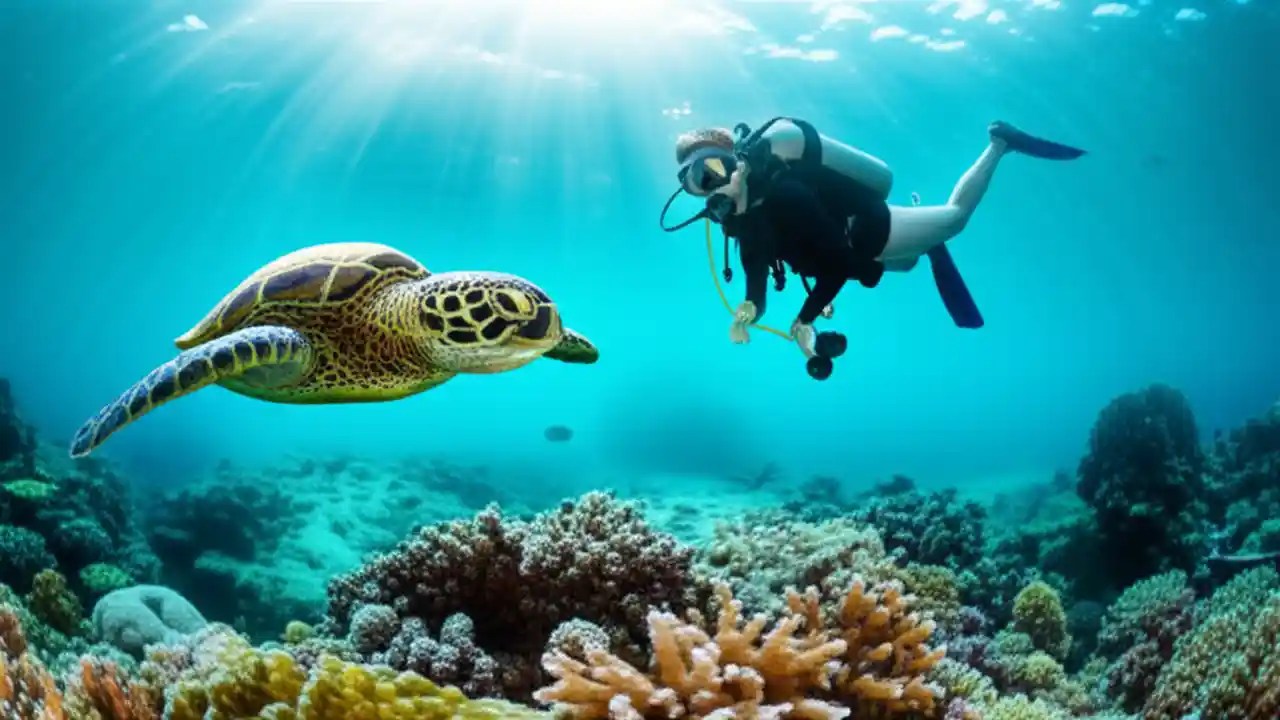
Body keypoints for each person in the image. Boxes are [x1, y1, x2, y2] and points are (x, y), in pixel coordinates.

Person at [658, 117, 1085, 379]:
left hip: (875, 230)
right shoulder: (743, 222)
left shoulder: (786, 194)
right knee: (906, 266)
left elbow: (839, 265)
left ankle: (1000, 143)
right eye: (695, 182)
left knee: (954, 219)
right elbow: (756, 276)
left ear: (737, 163)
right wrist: (747, 312)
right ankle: (927, 241)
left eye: (714, 169)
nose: (710, 186)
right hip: (858, 252)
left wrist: (805, 318)